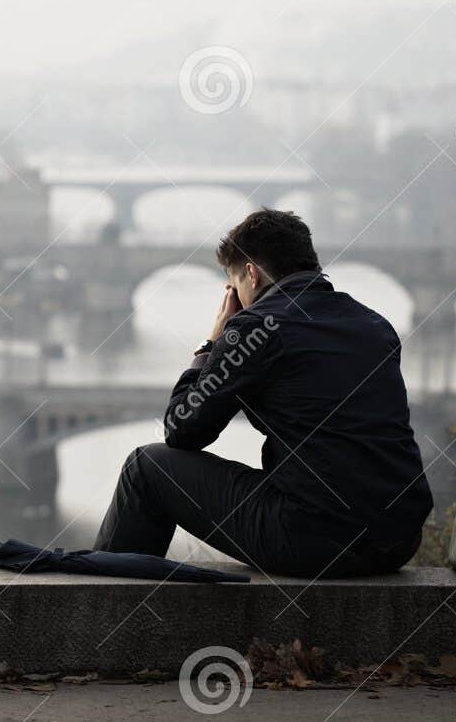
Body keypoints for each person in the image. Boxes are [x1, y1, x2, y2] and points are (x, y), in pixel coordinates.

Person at [93, 208, 432, 577]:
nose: (236, 295)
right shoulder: (374, 325)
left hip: (314, 540)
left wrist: (212, 341)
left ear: (251, 274)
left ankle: (103, 607)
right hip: (397, 539)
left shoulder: (258, 328)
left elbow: (182, 428)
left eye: (235, 283)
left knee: (147, 467)